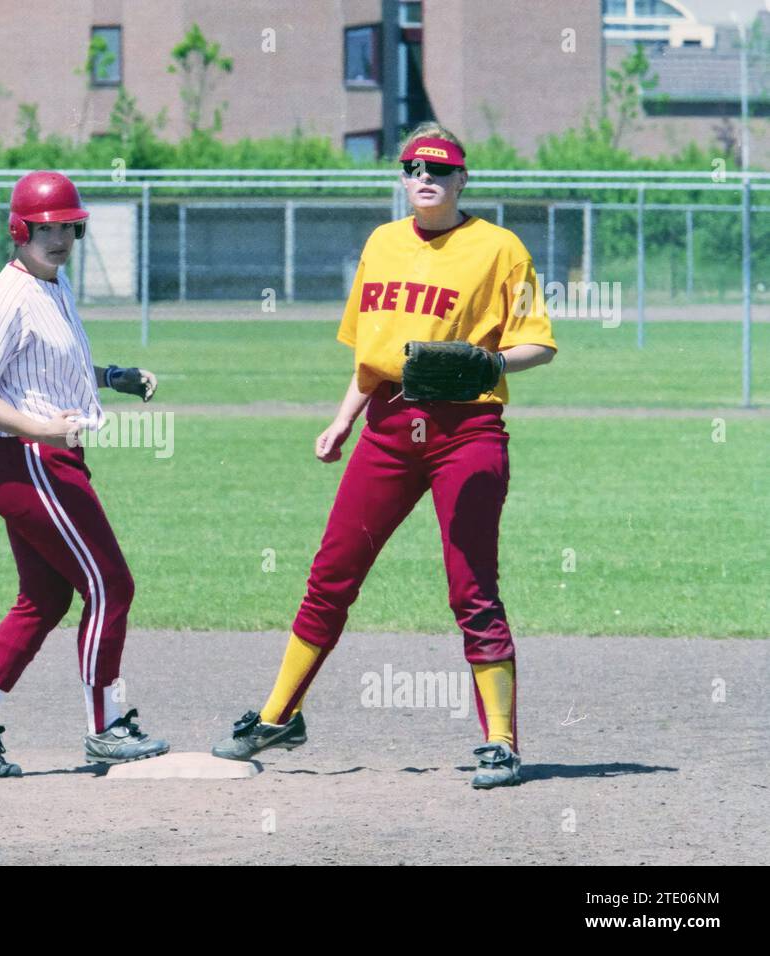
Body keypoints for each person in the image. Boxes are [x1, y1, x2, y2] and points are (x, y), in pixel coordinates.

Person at [212, 124, 557, 788]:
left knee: (472, 586)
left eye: (440, 166)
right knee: (331, 574)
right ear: (403, 177)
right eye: (412, 165)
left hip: (468, 430)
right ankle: (280, 715)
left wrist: (491, 360)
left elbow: (537, 343)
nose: (424, 174)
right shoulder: (381, 243)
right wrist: (342, 420)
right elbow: (372, 355)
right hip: (389, 427)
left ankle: (502, 743)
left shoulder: (499, 248)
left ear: (462, 179)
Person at [0, 170, 167, 778]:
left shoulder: (53, 283)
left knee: (43, 598)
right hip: (28, 459)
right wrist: (37, 431)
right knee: (110, 585)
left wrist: (113, 375)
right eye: (46, 227)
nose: (59, 237)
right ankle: (107, 728)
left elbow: (51, 369)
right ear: (20, 229)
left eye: (69, 226)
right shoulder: (5, 297)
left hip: (44, 457)